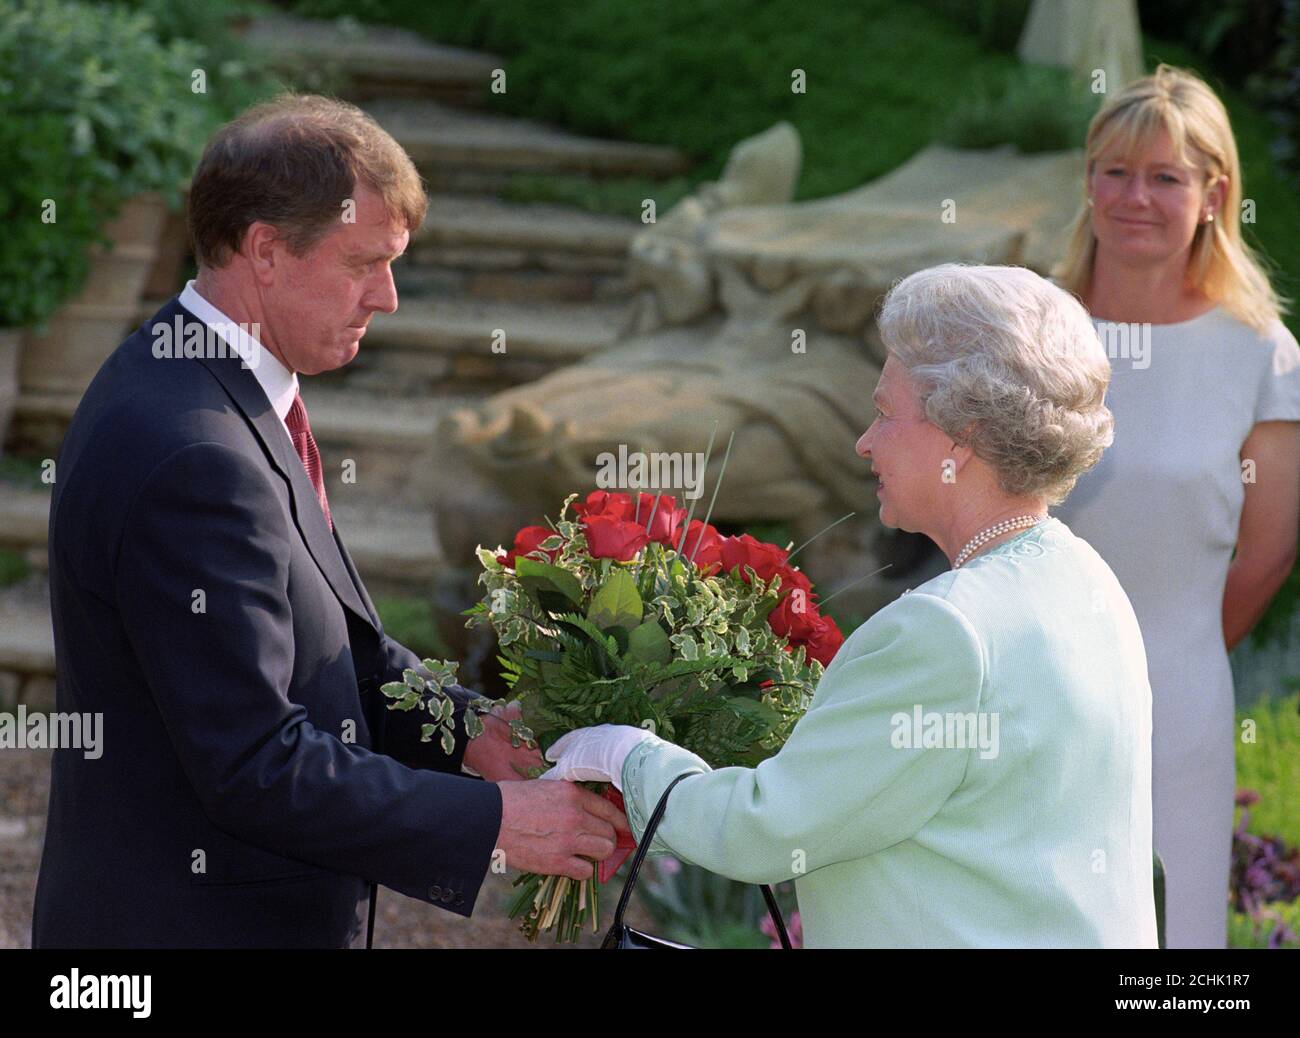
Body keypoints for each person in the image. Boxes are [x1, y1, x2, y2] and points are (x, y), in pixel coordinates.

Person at [32, 93, 627, 948]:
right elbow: (255, 763)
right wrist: (498, 820)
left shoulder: (207, 382)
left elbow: (336, 653)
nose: (386, 297)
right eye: (363, 263)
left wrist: (478, 734)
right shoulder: (193, 451)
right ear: (266, 250)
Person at [545, 264, 1158, 948]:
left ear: (963, 432)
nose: (865, 441)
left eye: (886, 412)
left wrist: (627, 755)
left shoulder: (948, 631)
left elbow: (762, 831)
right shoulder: (1087, 579)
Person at [1051, 65, 1300, 948]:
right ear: (1088, 182)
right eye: (1114, 172)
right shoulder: (1035, 332)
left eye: (1164, 176)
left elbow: (1267, 552)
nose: (1134, 197)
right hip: (1029, 691)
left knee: (1178, 952)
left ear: (1212, 193)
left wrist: (1165, 658)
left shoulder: (1259, 352)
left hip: (1182, 699)